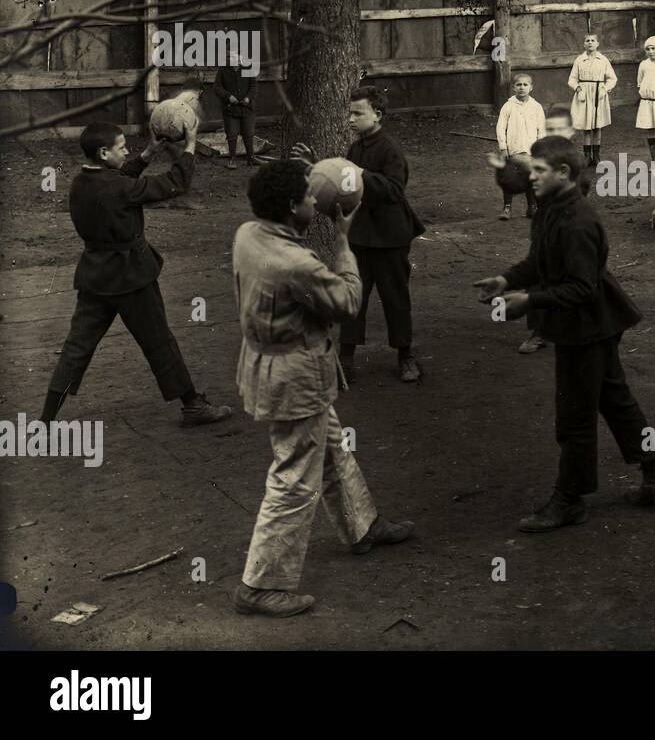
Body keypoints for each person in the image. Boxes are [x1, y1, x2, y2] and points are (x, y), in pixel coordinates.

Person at [232, 160, 413, 618]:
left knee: (330, 449)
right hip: (295, 377)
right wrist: (344, 241)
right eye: (310, 197)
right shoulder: (297, 263)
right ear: (292, 206)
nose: (317, 201)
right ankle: (260, 584)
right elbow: (348, 302)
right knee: (293, 478)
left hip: (268, 366)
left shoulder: (248, 234)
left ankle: (361, 525)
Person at [475, 137, 655, 531]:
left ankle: (571, 498)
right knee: (616, 401)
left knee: (576, 415)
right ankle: (654, 477)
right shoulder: (551, 207)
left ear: (563, 173)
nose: (530, 178)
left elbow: (582, 288)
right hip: (589, 323)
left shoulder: (579, 222)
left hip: (588, 327)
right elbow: (539, 261)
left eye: (539, 172)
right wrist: (506, 279)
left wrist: (528, 302)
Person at [41, 121, 231, 427]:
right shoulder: (120, 188)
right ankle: (193, 406)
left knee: (76, 348)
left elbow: (119, 179)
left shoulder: (81, 182)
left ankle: (45, 420)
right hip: (131, 276)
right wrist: (190, 145)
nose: (126, 150)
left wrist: (147, 153)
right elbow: (175, 183)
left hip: (96, 277)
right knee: (159, 342)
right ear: (104, 153)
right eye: (121, 147)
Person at [291, 86, 426, 384]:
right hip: (360, 235)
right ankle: (346, 360)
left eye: (357, 113)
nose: (351, 119)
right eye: (349, 112)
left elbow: (394, 190)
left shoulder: (390, 149)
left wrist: (359, 174)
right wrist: (319, 169)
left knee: (395, 298)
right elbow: (343, 184)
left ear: (377, 115)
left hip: (390, 236)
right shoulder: (356, 148)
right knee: (354, 297)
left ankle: (406, 356)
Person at [516, 106, 585, 357]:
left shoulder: (576, 163)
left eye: (560, 130)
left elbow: (579, 196)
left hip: (571, 232)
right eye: (550, 130)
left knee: (575, 280)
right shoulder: (542, 159)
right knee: (538, 278)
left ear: (571, 132)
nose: (554, 135)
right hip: (545, 230)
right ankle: (540, 331)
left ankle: (579, 327)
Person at [494, 72, 546, 220]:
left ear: (531, 87)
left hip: (530, 151)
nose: (522, 87)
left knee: (531, 178)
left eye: (525, 84)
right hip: (513, 151)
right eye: (518, 85)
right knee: (510, 178)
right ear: (513, 88)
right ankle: (507, 208)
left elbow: (541, 130)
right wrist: (503, 147)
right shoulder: (508, 106)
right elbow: (500, 127)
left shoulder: (536, 107)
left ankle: (532, 207)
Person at [568, 32, 617, 166]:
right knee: (587, 127)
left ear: (597, 44)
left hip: (598, 93)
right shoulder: (579, 60)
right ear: (584, 44)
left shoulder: (603, 60)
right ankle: (587, 156)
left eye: (593, 40)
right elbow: (572, 78)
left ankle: (596, 156)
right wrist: (578, 88)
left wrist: (605, 89)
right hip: (584, 93)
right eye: (587, 41)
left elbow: (612, 78)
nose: (590, 43)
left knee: (597, 126)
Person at [214, 61, 259, 169]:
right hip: (230, 109)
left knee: (248, 133)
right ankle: (232, 159)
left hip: (247, 108)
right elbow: (217, 87)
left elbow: (253, 86)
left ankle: (251, 158)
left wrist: (248, 98)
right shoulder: (223, 69)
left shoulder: (247, 67)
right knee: (232, 135)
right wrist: (228, 97)